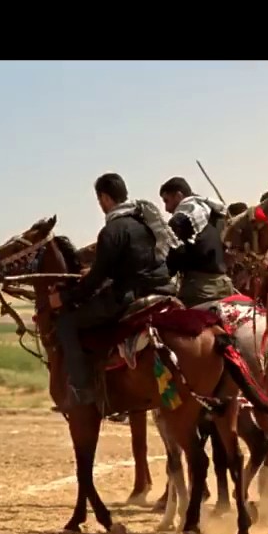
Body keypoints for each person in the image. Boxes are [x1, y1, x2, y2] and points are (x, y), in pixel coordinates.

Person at [50, 173, 179, 408]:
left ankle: (82, 389)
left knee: (66, 324)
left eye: (100, 200)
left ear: (106, 199)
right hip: (163, 289)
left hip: (129, 296)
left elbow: (97, 279)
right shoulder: (145, 223)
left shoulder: (112, 230)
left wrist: (66, 298)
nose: (100, 205)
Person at [159, 176, 236, 310]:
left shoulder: (182, 218)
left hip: (199, 290)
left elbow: (172, 256)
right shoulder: (215, 213)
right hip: (225, 284)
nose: (166, 209)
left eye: (167, 201)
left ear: (178, 195)